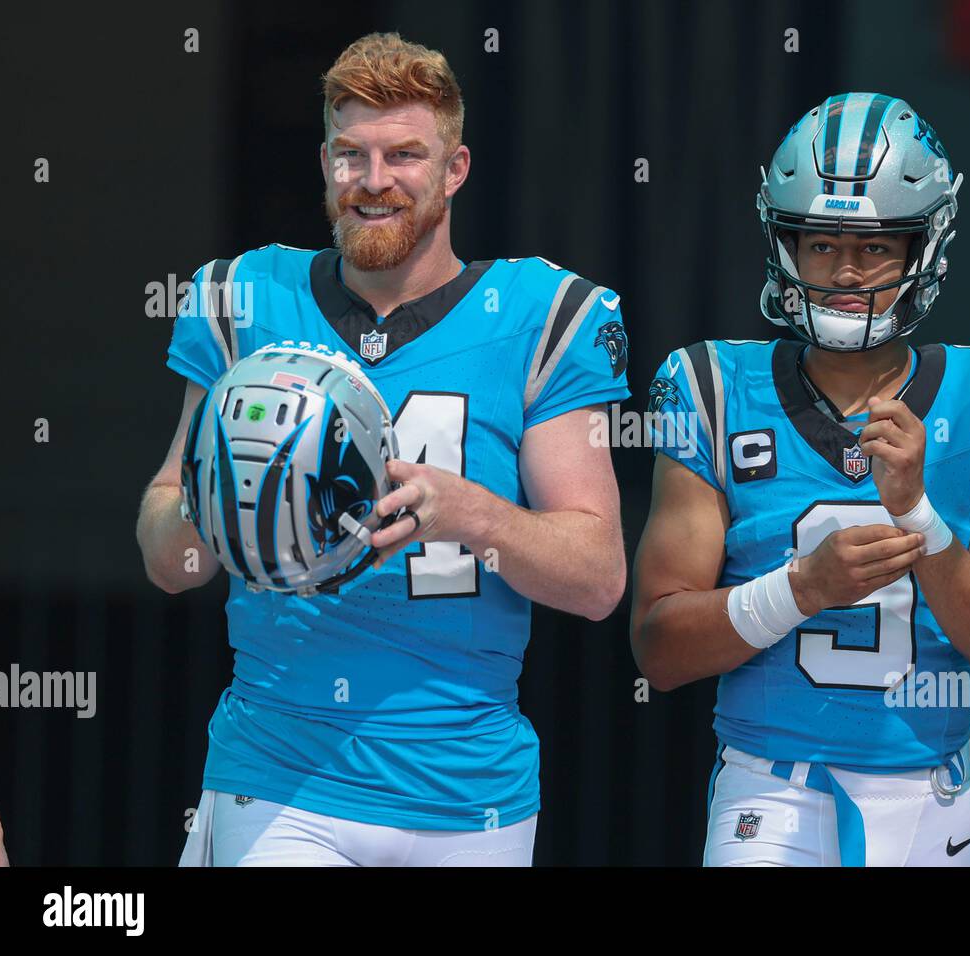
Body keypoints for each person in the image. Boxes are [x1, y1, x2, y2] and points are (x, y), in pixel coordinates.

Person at [136, 32, 630, 866]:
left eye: (405, 154)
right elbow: (165, 554)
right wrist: (208, 509)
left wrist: (475, 514)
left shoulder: (542, 315)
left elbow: (598, 580)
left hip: (470, 792)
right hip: (279, 777)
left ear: (456, 168)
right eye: (350, 154)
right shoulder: (245, 295)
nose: (374, 181)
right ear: (325, 161)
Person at [631, 93, 970, 866]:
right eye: (822, 243)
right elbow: (660, 652)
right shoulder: (711, 384)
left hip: (931, 797)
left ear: (922, 248)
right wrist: (802, 588)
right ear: (784, 245)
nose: (844, 272)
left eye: (873, 249)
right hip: (770, 795)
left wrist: (921, 518)